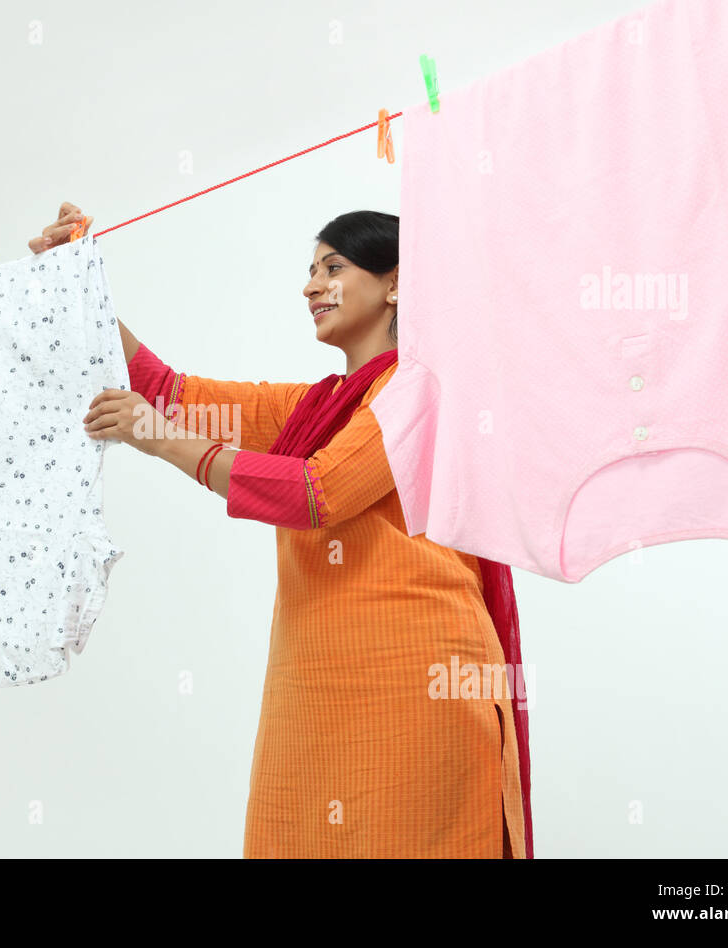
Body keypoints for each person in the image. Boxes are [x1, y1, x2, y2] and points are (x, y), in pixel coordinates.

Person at [29, 203, 531, 858]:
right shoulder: (314, 410)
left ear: (397, 283)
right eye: (310, 269)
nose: (311, 285)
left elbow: (319, 491)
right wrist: (77, 282)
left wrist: (159, 441)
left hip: (417, 678)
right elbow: (168, 391)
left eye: (334, 266)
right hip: (318, 685)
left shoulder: (421, 391)